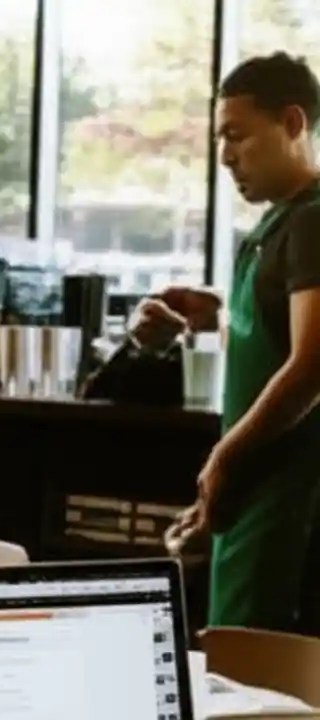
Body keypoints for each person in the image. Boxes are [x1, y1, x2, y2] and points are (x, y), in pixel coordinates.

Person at [144, 53, 320, 633]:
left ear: (293, 123)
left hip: (291, 506)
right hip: (250, 500)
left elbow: (311, 368)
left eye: (237, 136)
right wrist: (208, 319)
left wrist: (224, 458)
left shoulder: (314, 221)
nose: (225, 156)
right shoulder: (279, 224)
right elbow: (272, 334)